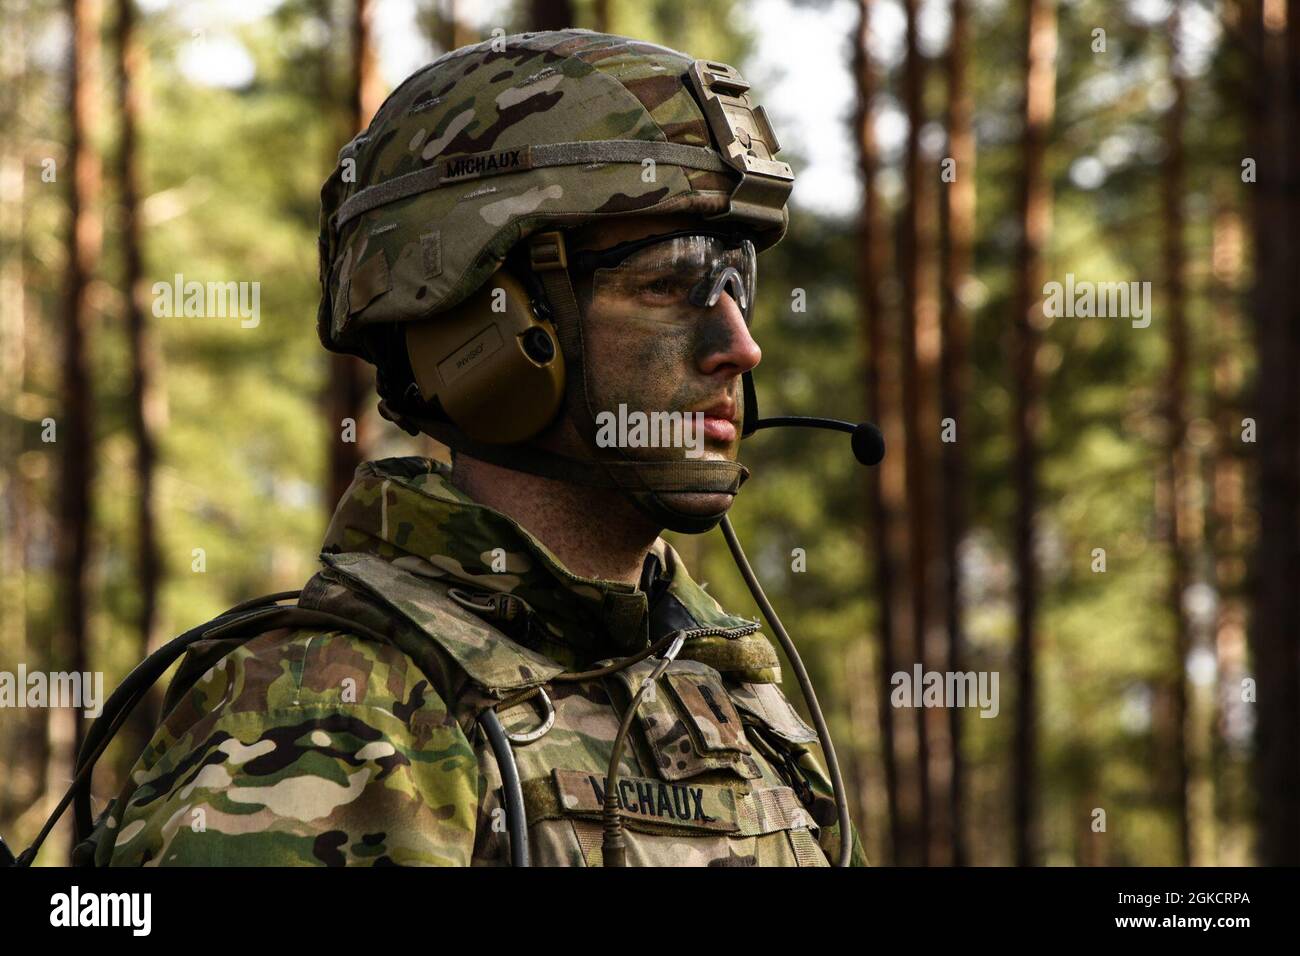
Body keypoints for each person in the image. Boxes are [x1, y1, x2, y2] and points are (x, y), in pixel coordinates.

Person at [85, 28, 866, 867]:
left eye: (736, 285)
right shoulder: (337, 714)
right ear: (486, 332)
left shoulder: (740, 700)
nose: (740, 348)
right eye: (668, 284)